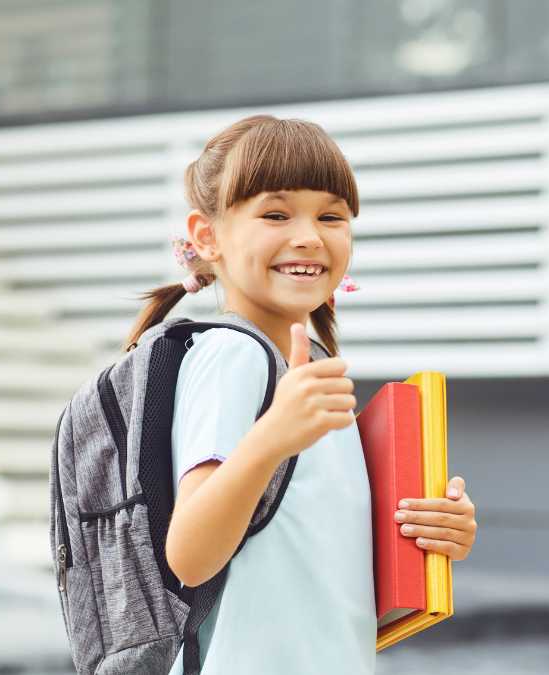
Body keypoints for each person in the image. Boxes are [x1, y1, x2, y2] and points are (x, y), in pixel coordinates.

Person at [122, 114, 479, 674]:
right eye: (275, 214)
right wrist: (272, 436)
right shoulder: (232, 356)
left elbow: (320, 581)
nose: (310, 235)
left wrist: (432, 533)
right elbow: (189, 557)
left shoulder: (308, 367)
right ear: (207, 236)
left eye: (332, 216)